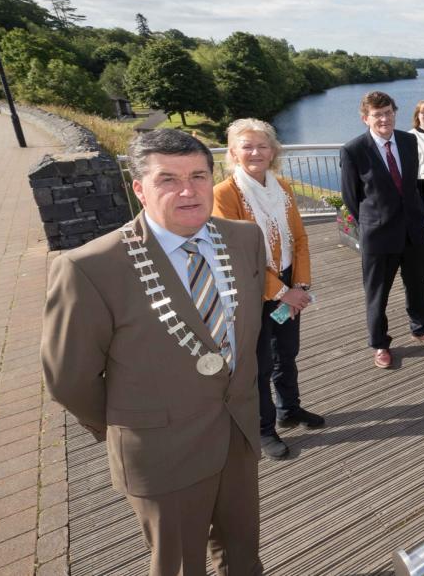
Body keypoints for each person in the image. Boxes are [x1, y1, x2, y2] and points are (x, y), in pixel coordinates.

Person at [41, 129, 265, 576]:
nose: (188, 190)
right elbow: (68, 379)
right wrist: (132, 422)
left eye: (199, 176)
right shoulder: (89, 268)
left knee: (243, 556)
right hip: (162, 453)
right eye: (168, 179)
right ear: (139, 189)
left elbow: (244, 332)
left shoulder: (246, 239)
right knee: (179, 566)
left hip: (237, 435)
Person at [213, 118, 324, 461]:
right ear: (233, 152)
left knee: (287, 352)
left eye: (263, 146)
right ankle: (263, 428)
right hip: (251, 291)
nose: (256, 152)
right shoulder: (225, 195)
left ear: (274, 151)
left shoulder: (284, 188)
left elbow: (300, 239)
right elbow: (235, 255)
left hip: (290, 281)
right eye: (247, 146)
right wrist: (281, 292)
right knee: (259, 364)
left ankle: (288, 409)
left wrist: (300, 284)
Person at [340, 91, 424, 370]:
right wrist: (373, 221)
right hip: (379, 234)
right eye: (377, 114)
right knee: (377, 293)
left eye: (388, 112)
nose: (384, 119)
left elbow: (412, 186)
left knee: (417, 283)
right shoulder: (353, 150)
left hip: (412, 228)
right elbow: (351, 198)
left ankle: (420, 327)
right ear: (366, 118)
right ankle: (380, 343)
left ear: (395, 113)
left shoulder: (410, 141)